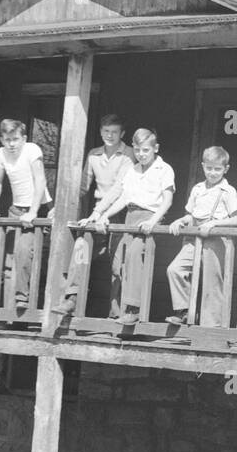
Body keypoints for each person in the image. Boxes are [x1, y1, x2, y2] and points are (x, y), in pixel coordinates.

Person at [65, 128, 174, 326]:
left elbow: (167, 201)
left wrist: (152, 221)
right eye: (138, 150)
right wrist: (104, 216)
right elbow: (123, 198)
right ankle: (112, 312)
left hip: (149, 219)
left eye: (146, 150)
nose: (141, 154)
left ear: (155, 149)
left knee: (133, 255)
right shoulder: (133, 170)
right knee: (117, 264)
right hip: (129, 218)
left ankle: (133, 309)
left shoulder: (164, 169)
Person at [52, 114, 134, 319]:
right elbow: (81, 186)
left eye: (114, 132)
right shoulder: (94, 155)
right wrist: (59, 207)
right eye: (106, 131)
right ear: (100, 132)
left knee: (119, 265)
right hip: (97, 214)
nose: (110, 136)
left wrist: (101, 214)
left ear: (122, 134)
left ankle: (117, 314)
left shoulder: (130, 155)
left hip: (121, 214)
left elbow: (119, 188)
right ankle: (72, 298)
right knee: (82, 248)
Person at [165, 145, 237, 327]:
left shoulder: (228, 191)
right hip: (195, 240)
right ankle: (183, 310)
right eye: (209, 168)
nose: (213, 173)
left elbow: (236, 219)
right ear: (202, 166)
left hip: (215, 241)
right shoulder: (198, 189)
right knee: (175, 269)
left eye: (217, 169)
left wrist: (214, 223)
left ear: (226, 169)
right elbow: (190, 215)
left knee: (212, 284)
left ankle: (211, 327)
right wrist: (181, 221)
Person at [0, 119, 52, 315]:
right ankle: (7, 311)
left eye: (15, 139)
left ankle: (23, 301)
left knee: (25, 254)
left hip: (38, 208)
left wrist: (33, 211)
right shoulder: (1, 154)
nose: (11, 144)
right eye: (7, 140)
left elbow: (40, 180)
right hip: (16, 209)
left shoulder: (31, 150)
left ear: (23, 138)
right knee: (8, 260)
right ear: (1, 139)